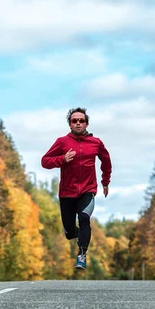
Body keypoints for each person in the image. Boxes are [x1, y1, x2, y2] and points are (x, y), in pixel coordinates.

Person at [41, 107, 112, 270]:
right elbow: (45, 161)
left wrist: (105, 181)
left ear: (86, 123)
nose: (78, 123)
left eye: (82, 120)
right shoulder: (62, 142)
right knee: (69, 232)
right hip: (67, 192)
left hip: (88, 190)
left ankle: (82, 255)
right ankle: (76, 234)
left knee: (84, 218)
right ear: (70, 124)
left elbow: (106, 161)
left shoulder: (96, 143)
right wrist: (62, 159)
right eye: (75, 121)